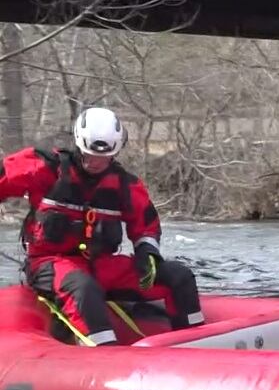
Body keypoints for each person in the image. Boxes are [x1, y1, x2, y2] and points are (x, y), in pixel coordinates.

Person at [0, 107, 203, 346]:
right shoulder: (45, 167)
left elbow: (146, 225)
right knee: (84, 288)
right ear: (79, 146)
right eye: (90, 156)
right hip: (50, 263)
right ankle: (105, 352)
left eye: (103, 158)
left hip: (101, 265)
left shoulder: (125, 185)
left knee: (178, 276)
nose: (96, 163)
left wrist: (148, 251)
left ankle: (195, 344)